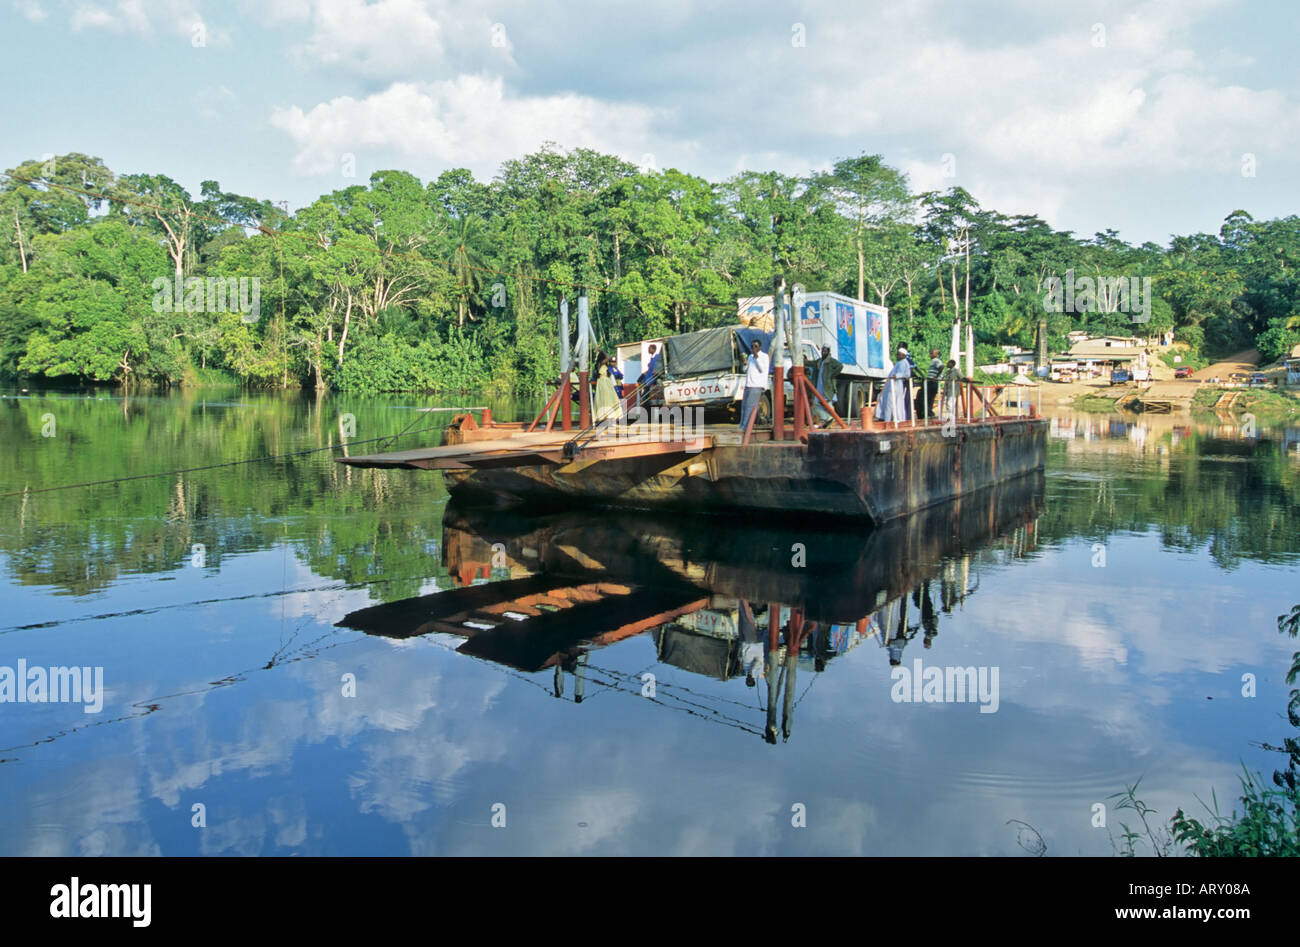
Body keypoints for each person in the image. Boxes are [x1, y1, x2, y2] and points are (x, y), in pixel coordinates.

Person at [874, 344, 913, 423]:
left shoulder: (903, 362)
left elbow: (902, 373)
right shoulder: (901, 362)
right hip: (894, 385)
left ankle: (887, 420)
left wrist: (897, 376)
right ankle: (887, 418)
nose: (897, 356)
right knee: (891, 401)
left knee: (890, 403)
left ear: (903, 355)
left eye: (898, 354)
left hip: (895, 385)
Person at [738, 338, 770, 429]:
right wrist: (744, 364)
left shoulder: (764, 356)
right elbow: (745, 370)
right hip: (748, 384)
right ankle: (741, 425)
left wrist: (756, 357)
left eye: (755, 346)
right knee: (744, 406)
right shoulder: (750, 357)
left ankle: (745, 427)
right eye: (752, 346)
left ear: (759, 347)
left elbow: (762, 369)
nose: (753, 348)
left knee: (749, 407)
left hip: (756, 385)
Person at [809, 344, 843, 424]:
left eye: (825, 351)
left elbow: (840, 366)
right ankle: (828, 418)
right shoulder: (819, 361)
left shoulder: (831, 361)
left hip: (827, 388)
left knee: (828, 405)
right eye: (822, 350)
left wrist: (832, 374)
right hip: (819, 388)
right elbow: (811, 363)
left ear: (828, 351)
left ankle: (830, 419)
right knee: (816, 405)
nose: (823, 352)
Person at [914, 348, 943, 420]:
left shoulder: (936, 360)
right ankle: (928, 413)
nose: (930, 355)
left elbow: (941, 367)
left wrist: (935, 377)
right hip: (931, 382)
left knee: (928, 398)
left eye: (932, 353)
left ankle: (930, 413)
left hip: (932, 382)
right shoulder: (933, 361)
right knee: (928, 399)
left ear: (936, 354)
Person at [593, 351, 620, 422]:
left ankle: (611, 415)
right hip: (603, 382)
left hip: (606, 382)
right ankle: (604, 415)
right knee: (604, 399)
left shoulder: (604, 365)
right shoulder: (600, 364)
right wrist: (601, 351)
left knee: (611, 398)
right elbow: (608, 357)